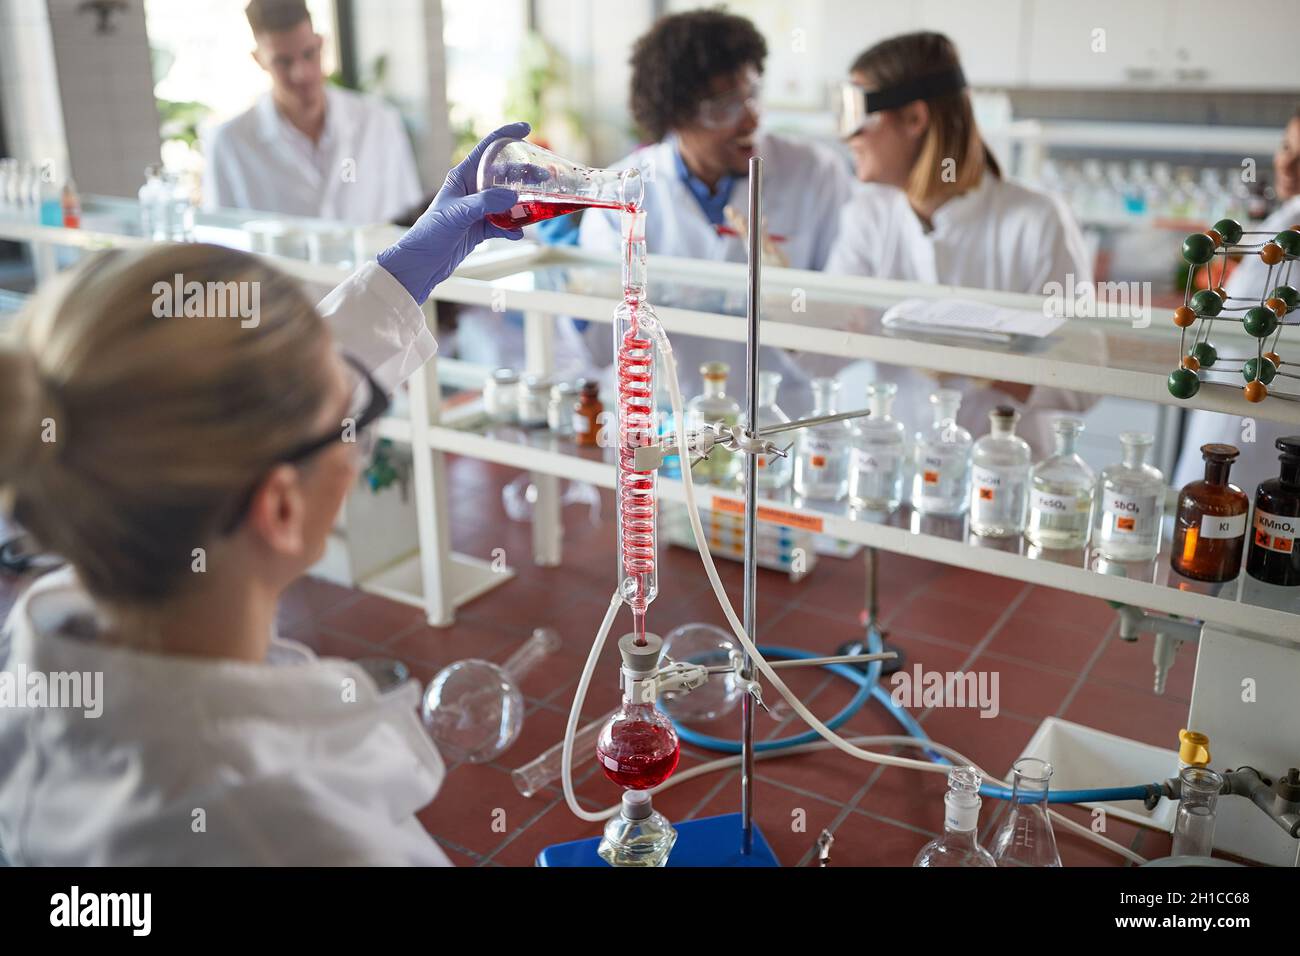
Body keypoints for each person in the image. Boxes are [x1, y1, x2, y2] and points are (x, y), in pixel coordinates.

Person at [0, 124, 529, 865]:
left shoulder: (51, 640)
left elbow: (260, 410)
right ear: (279, 508)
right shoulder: (292, 832)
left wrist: (406, 270)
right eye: (358, 421)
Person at [825, 32, 1095, 454]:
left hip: (1004, 472)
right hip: (893, 466)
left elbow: (1084, 377)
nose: (849, 137)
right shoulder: (867, 215)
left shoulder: (1035, 219)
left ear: (914, 118)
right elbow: (824, 356)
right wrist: (787, 301)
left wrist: (978, 364)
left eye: (858, 114)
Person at [577, 9, 856, 415]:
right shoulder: (619, 194)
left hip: (785, 419)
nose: (751, 117)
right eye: (723, 108)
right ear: (674, 116)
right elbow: (602, 345)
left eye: (751, 94)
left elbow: (846, 323)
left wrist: (789, 304)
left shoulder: (816, 174)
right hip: (668, 423)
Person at [201, 0, 422, 224]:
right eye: (283, 62)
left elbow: (410, 224)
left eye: (308, 54)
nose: (301, 74)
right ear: (259, 60)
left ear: (320, 43)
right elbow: (221, 245)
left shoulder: (380, 122)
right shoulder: (229, 143)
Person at [1172, 109, 1300, 493]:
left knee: (1225, 519)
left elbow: (1252, 322)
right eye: (1286, 147)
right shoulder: (1283, 217)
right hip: (1241, 401)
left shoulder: (1292, 228)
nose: (1287, 163)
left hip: (1255, 416)